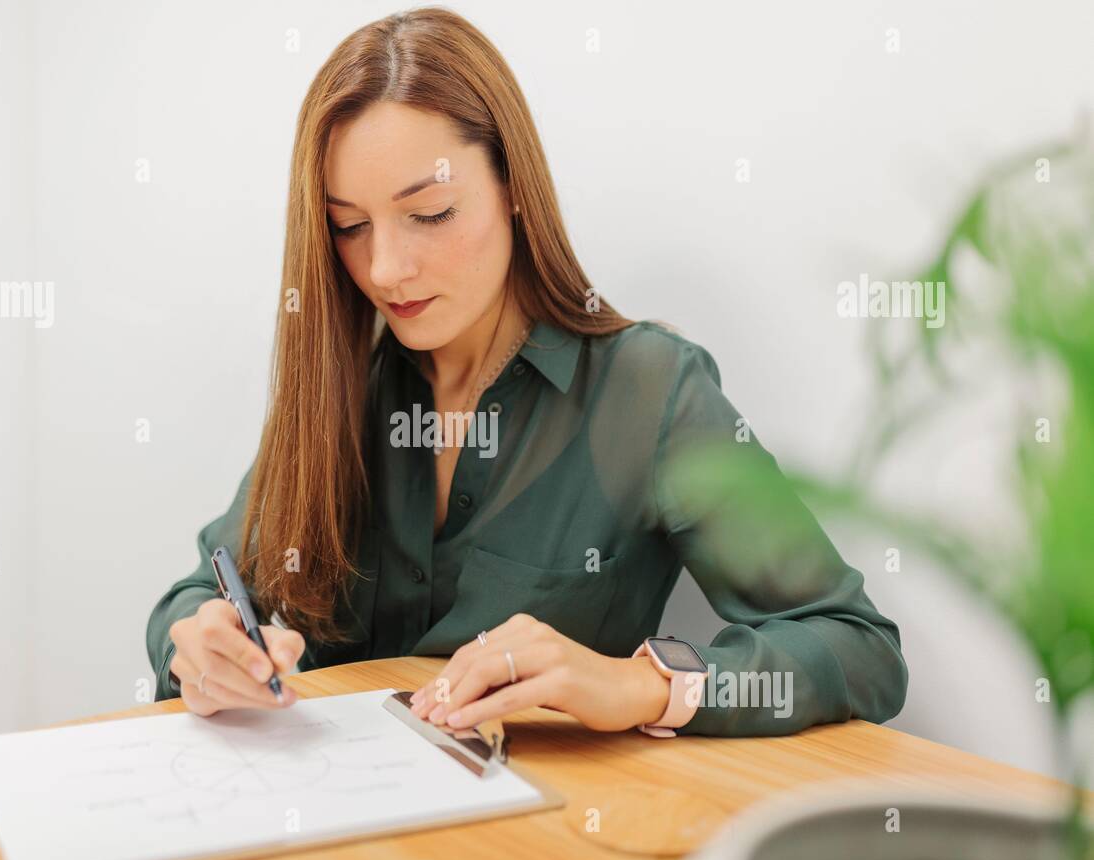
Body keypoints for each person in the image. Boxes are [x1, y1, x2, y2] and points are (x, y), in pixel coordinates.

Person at [145, 7, 907, 738]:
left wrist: (638, 683)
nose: (383, 269)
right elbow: (201, 592)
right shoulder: (342, 389)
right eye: (349, 226)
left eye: (431, 212)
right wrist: (200, 646)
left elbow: (859, 648)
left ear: (513, 187)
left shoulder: (648, 392)